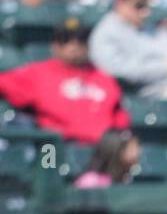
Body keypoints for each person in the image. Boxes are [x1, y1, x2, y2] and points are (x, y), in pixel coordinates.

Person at [0, 18, 129, 145]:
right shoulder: (37, 73)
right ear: (54, 46)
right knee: (48, 157)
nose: (73, 46)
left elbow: (120, 119)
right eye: (65, 40)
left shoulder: (104, 78)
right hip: (55, 148)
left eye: (80, 40)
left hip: (98, 150)